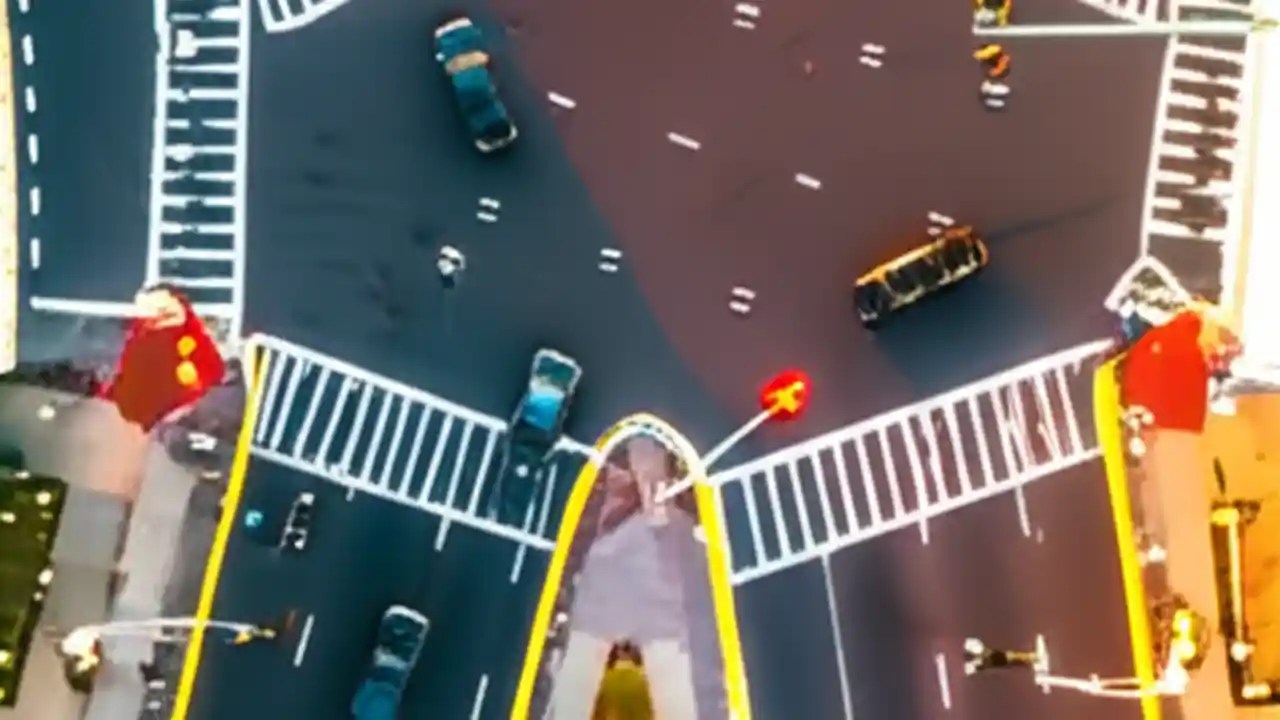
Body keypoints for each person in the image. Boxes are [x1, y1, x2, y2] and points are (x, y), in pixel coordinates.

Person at [963, 637, 1043, 675]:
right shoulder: (978, 660)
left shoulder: (976, 661)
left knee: (1009, 657)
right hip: (983, 660)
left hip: (981, 660)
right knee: (1009, 657)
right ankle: (1033, 657)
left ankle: (1032, 659)